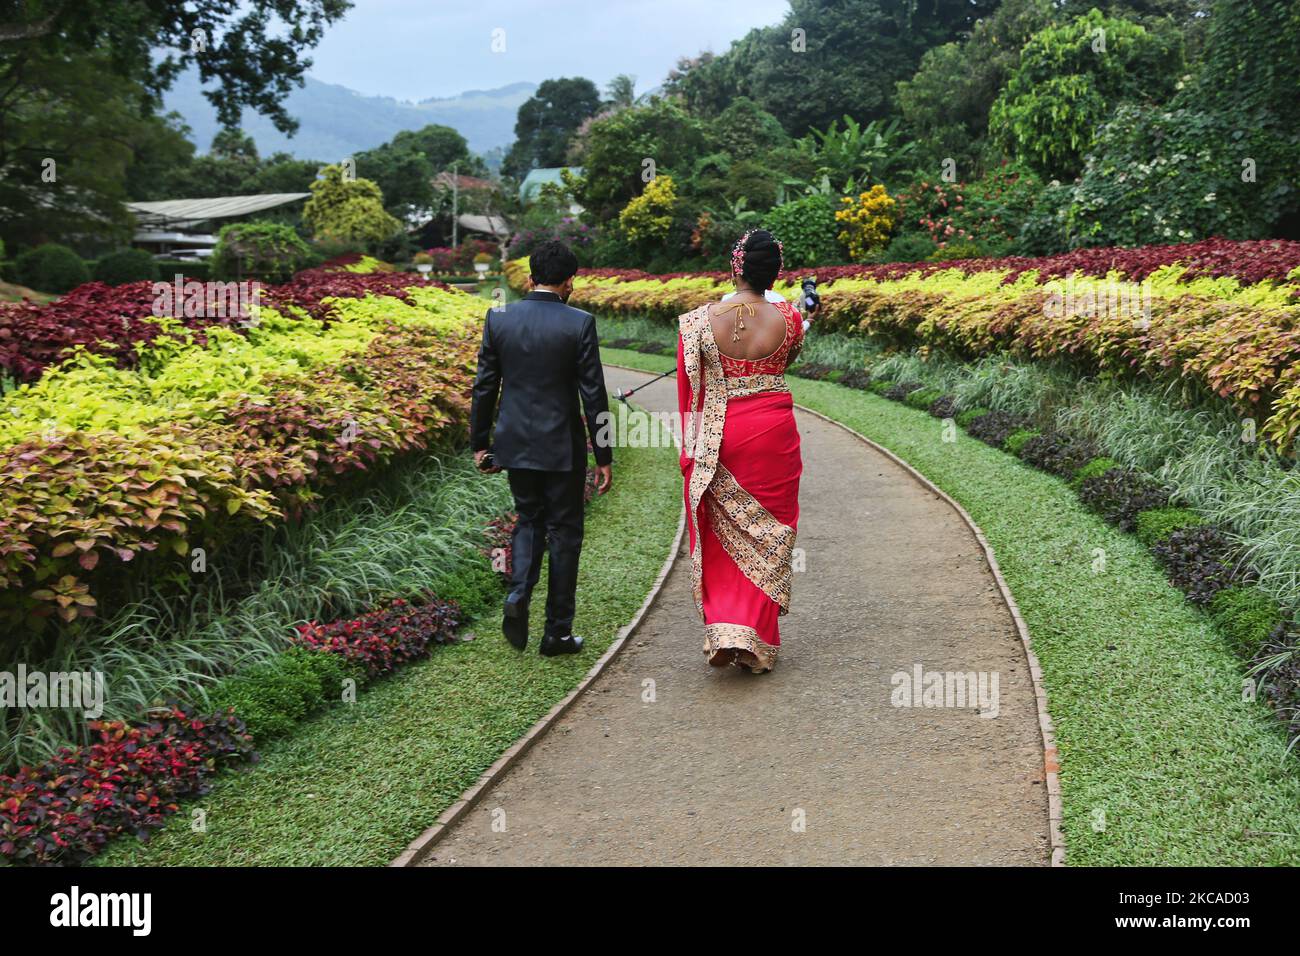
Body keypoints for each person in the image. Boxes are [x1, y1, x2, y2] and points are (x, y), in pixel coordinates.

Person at [469, 240, 613, 656]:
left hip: (514, 443)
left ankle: (518, 594)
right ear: (570, 280)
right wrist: (603, 455)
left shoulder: (498, 319)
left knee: (529, 519)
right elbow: (594, 396)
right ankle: (557, 633)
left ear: (531, 276)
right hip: (561, 448)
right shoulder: (579, 323)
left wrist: (480, 443)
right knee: (565, 533)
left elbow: (484, 386)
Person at [676, 229, 803, 674]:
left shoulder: (697, 322)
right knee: (771, 531)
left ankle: (726, 632)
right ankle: (758, 641)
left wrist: (691, 450)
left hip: (721, 436)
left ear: (736, 265)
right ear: (776, 272)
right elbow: (787, 363)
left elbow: (690, 389)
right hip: (775, 433)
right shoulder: (789, 318)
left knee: (721, 530)